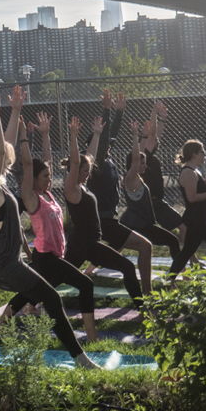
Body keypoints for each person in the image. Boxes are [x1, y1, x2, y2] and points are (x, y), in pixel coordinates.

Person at [0, 87, 99, 369]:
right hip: (3, 263)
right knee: (52, 298)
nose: (9, 153)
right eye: (4, 153)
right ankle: (80, 358)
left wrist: (15, 111)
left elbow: (3, 146)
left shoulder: (1, 186)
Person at [5, 111, 99, 340]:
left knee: (32, 291)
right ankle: (91, 335)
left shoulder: (47, 194)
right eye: (45, 176)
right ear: (34, 179)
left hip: (53, 255)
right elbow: (29, 164)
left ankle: (2, 320)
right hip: (46, 256)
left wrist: (45, 134)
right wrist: (24, 136)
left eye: (49, 175)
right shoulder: (31, 197)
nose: (49, 179)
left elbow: (45, 159)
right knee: (85, 285)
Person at [64, 115, 144, 305]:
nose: (86, 173)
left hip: (89, 244)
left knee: (127, 267)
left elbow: (89, 158)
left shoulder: (83, 185)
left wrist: (98, 134)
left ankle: (143, 308)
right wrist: (73, 136)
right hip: (82, 244)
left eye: (87, 171)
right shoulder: (72, 186)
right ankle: (23, 305)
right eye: (83, 171)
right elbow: (76, 162)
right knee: (54, 278)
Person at [86, 90, 155, 295]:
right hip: (102, 222)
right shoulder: (94, 161)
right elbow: (106, 135)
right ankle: (148, 294)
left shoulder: (106, 157)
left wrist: (119, 112)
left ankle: (33, 300)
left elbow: (111, 134)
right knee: (145, 247)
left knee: (79, 261)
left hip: (108, 220)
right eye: (104, 141)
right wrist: (107, 110)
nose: (109, 143)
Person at [119, 106, 182, 292]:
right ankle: (90, 268)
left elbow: (152, 141)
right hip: (133, 225)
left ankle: (171, 280)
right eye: (142, 162)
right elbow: (137, 159)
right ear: (135, 164)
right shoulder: (130, 177)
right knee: (115, 250)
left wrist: (155, 119)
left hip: (146, 224)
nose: (145, 165)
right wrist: (135, 135)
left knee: (172, 241)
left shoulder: (140, 176)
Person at [167, 139, 206, 275]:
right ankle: (169, 280)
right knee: (187, 252)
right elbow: (192, 198)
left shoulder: (195, 171)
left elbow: (196, 190)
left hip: (203, 218)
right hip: (195, 219)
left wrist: (205, 183)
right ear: (194, 154)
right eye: (202, 152)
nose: (205, 155)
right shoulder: (188, 172)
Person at [138, 99, 186, 240]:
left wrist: (163, 118)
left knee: (182, 228)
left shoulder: (151, 155)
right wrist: (154, 112)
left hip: (157, 201)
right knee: (182, 227)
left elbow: (156, 135)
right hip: (150, 203)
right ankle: (185, 257)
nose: (155, 141)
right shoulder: (141, 156)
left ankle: (187, 258)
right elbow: (153, 134)